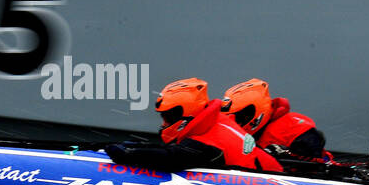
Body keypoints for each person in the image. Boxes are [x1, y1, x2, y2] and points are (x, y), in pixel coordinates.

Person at [105, 78, 283, 173]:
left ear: (186, 114)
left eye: (168, 117)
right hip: (266, 176)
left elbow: (171, 158)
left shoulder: (205, 141)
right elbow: (180, 150)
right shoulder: (217, 121)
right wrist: (136, 146)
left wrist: (126, 154)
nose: (165, 123)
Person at [220, 78, 332, 164]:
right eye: (228, 117)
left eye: (238, 117)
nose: (234, 123)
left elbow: (317, 163)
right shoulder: (230, 133)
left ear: (258, 111)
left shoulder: (293, 127)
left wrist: (282, 156)